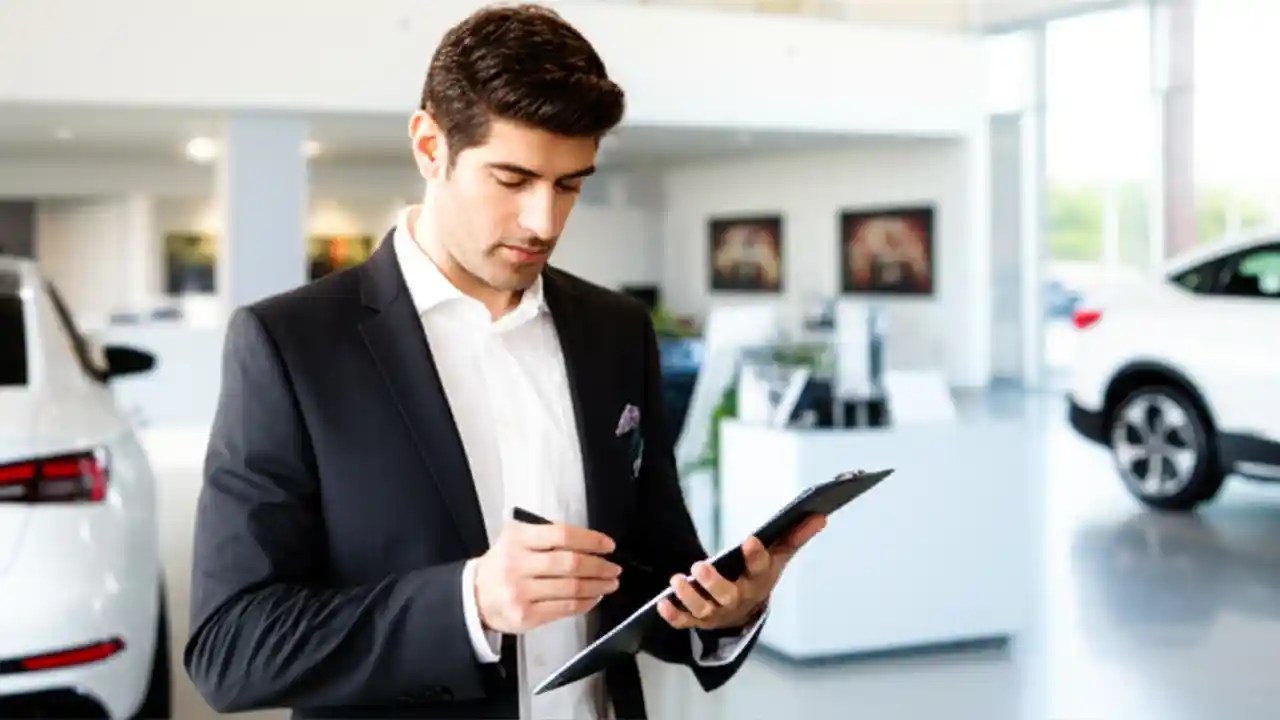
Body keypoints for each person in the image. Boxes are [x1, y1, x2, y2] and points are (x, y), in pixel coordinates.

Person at [184, 5, 826, 719]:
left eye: (570, 184)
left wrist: (724, 610)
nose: (544, 222)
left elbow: (647, 570)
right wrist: (471, 603)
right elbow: (230, 649)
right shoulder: (290, 345)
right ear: (430, 146)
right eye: (512, 179)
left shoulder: (615, 330)